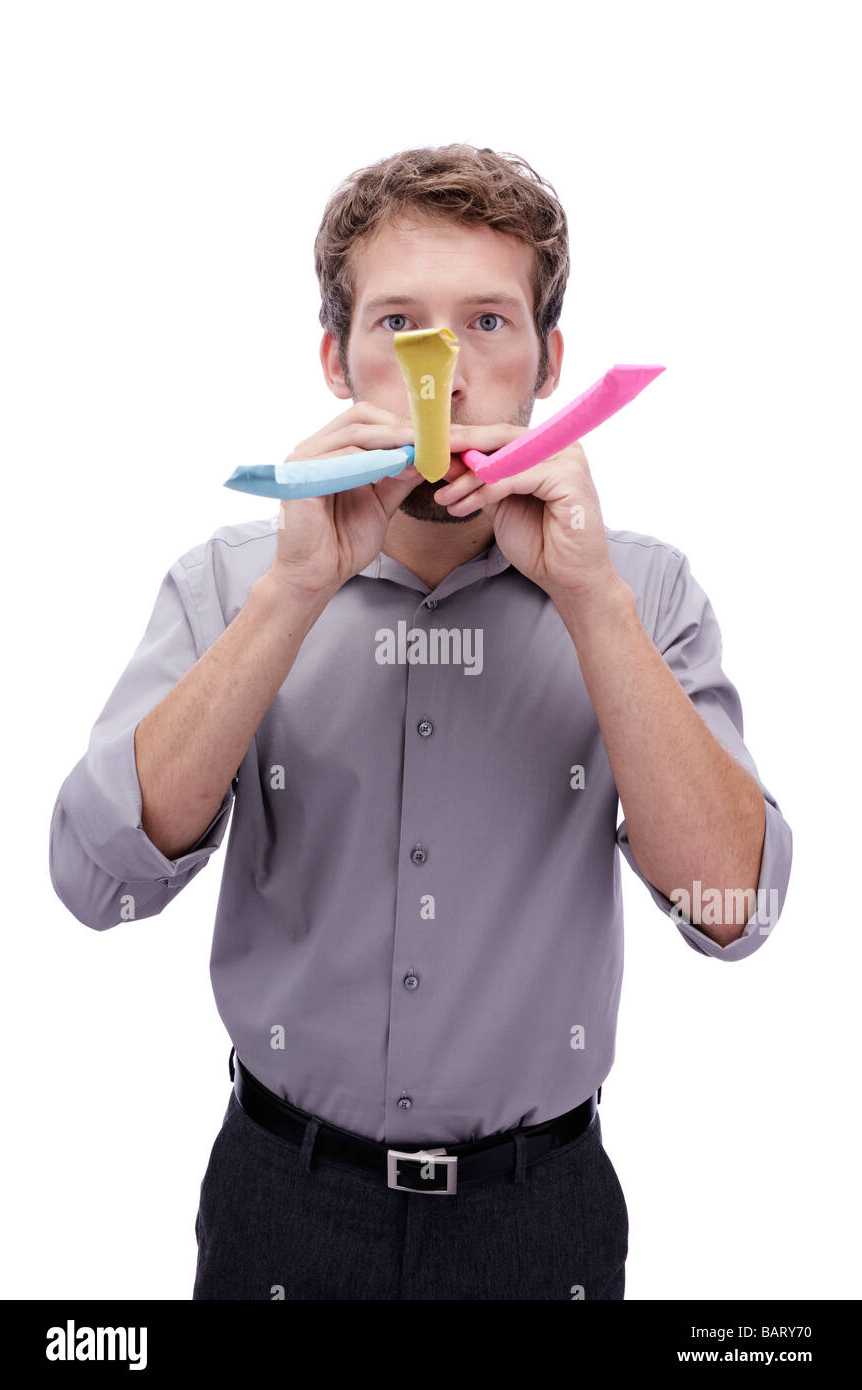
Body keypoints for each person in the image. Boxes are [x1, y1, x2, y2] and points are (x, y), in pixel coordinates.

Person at [49, 143, 793, 1301]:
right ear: (334, 356)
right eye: (397, 323)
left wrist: (589, 600)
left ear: (547, 362)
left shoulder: (641, 594)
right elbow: (95, 884)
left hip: (537, 1218)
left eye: (486, 323)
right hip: (280, 1199)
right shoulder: (229, 582)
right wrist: (294, 592)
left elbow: (734, 911)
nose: (436, 369)